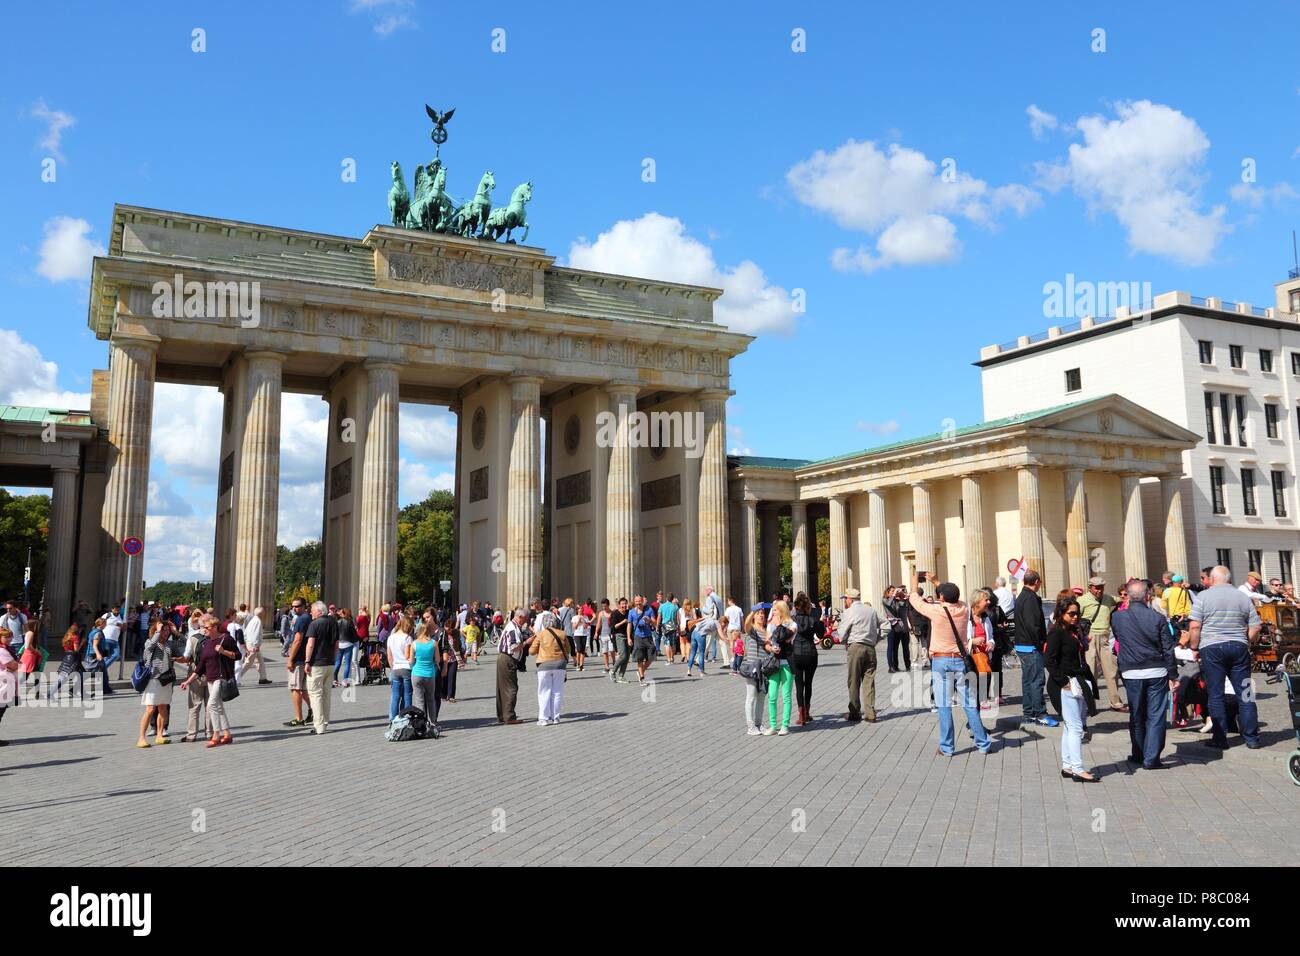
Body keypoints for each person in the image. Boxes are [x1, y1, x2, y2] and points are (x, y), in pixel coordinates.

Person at [909, 571, 992, 757]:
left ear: (941, 597)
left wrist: (915, 583)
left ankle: (947, 747)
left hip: (941, 660)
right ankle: (983, 743)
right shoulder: (964, 609)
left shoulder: (936, 611)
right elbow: (953, 597)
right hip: (960, 661)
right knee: (970, 704)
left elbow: (915, 601)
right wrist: (937, 581)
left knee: (944, 705)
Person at [1189, 566, 1262, 750]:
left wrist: (1194, 647)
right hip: (1238, 647)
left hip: (1211, 648)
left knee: (1216, 694)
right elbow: (1256, 627)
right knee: (1245, 693)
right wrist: (1246, 641)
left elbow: (1195, 626)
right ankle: (1252, 737)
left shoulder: (1202, 597)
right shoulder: (1242, 597)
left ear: (1212, 579)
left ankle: (1220, 738)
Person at [1111, 580, 1178, 769]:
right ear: (1147, 596)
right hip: (1156, 670)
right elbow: (1168, 648)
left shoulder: (1117, 617)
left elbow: (1119, 638)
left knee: (1137, 714)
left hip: (1131, 671)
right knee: (1155, 716)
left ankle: (1138, 754)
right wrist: (1173, 674)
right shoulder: (1157, 618)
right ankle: (1151, 758)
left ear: (1128, 596)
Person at [1043, 599, 1097, 781]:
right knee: (1075, 727)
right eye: (1071, 614)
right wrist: (1063, 681)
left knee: (1070, 726)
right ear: (1061, 614)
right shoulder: (1056, 632)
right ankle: (1078, 768)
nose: (1075, 617)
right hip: (1066, 684)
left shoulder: (1072, 630)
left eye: (1077, 614)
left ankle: (1068, 766)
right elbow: (1049, 660)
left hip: (1076, 680)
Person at [181, 613, 238, 748]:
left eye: (206, 627)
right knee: (218, 706)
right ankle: (228, 734)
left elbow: (238, 655)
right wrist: (188, 681)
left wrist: (224, 651)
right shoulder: (206, 643)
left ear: (214, 627)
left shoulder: (227, 639)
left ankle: (216, 735)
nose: (203, 630)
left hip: (221, 677)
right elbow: (200, 666)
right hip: (210, 679)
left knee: (211, 704)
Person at [1013, 570, 1058, 727]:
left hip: (1022, 644)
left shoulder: (1021, 597)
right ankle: (1040, 714)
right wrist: (1041, 643)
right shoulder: (1031, 598)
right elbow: (1034, 625)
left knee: (1027, 680)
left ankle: (1029, 713)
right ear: (1037, 581)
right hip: (1031, 646)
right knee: (1037, 680)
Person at [1077, 576, 1127, 713]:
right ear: (1090, 588)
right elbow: (1075, 620)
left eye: (1102, 587)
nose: (1100, 590)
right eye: (1097, 588)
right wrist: (1083, 636)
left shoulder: (1108, 598)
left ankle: (1115, 702)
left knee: (1111, 671)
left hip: (1105, 639)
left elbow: (1123, 600)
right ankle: (1088, 704)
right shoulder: (1081, 601)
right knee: (1090, 672)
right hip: (1090, 639)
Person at [839, 588, 881, 723]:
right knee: (869, 681)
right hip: (870, 648)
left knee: (854, 680)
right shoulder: (871, 610)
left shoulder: (849, 612)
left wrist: (845, 641)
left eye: (845, 599)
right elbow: (887, 625)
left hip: (855, 647)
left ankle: (855, 712)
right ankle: (870, 713)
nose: (845, 601)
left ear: (850, 599)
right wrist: (876, 638)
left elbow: (841, 633)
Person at [136, 619, 176, 748]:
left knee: (163, 707)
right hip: (153, 679)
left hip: (166, 680)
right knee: (150, 708)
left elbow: (183, 644)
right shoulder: (150, 642)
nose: (166, 632)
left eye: (167, 630)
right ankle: (141, 738)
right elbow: (148, 649)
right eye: (164, 630)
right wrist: (157, 632)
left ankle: (160, 735)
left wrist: (176, 632)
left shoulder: (168, 644)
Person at [530, 614, 572, 725]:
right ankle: (556, 718)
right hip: (560, 665)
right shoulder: (562, 634)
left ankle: (543, 718)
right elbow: (568, 649)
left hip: (544, 665)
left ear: (544, 623)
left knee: (544, 691)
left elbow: (532, 651)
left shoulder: (540, 634)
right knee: (557, 691)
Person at [303, 601, 338, 735]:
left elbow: (310, 644)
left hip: (316, 664)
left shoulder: (314, 624)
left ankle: (319, 725)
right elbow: (336, 644)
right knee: (326, 694)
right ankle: (325, 721)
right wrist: (333, 658)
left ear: (319, 611)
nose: (311, 612)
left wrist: (307, 661)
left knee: (315, 694)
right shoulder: (333, 622)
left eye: (312, 610)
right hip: (329, 663)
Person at [495, 608, 534, 724]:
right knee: (511, 688)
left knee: (502, 688)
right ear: (520, 617)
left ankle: (503, 715)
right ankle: (509, 716)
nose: (526, 622)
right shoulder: (513, 628)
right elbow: (513, 646)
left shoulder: (513, 626)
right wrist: (527, 642)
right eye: (525, 619)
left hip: (504, 658)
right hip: (508, 659)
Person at [763, 600, 797, 735]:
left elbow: (786, 638)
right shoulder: (770, 625)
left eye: (775, 610)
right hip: (774, 663)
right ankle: (773, 725)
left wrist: (779, 625)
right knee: (772, 695)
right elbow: (766, 643)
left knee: (786, 696)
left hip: (787, 663)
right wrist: (771, 648)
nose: (773, 612)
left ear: (782, 610)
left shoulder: (793, 624)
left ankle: (785, 725)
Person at [790, 592, 823, 725]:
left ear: (796, 607)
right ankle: (808, 712)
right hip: (810, 653)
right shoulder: (813, 619)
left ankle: (801, 715)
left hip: (796, 654)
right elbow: (821, 634)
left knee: (799, 685)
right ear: (808, 607)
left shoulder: (793, 620)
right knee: (808, 684)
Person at [282, 600, 313, 728]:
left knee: (295, 688)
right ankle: (314, 711)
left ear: (304, 606)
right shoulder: (308, 618)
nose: (294, 608)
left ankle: (299, 718)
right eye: (293, 606)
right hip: (305, 658)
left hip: (298, 659)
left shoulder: (301, 619)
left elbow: (297, 640)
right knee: (304, 689)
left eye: (297, 606)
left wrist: (290, 659)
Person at [967, 588, 998, 709]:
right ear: (977, 602)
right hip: (971, 655)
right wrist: (972, 641)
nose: (989, 602)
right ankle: (975, 703)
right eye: (986, 600)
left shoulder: (985, 618)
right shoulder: (966, 618)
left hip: (984, 654)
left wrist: (991, 643)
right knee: (974, 679)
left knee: (986, 675)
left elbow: (990, 636)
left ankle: (983, 700)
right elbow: (960, 638)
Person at [742, 604, 771, 735]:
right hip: (753, 666)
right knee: (751, 696)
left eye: (762, 613)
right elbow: (746, 624)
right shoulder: (751, 630)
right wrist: (752, 611)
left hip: (764, 666)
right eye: (759, 613)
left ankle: (759, 724)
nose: (761, 615)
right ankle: (750, 726)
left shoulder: (766, 631)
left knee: (761, 696)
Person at [410, 615, 440, 728]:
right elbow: (437, 660)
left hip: (417, 673)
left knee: (419, 700)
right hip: (429, 674)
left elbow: (411, 661)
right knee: (431, 699)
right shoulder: (434, 643)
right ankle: (433, 722)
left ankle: (422, 723)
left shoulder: (414, 644)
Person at [386, 613, 414, 721]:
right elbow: (407, 656)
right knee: (407, 694)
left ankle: (393, 719)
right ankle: (407, 718)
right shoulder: (408, 638)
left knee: (395, 696)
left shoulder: (391, 637)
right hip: (406, 668)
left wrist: (392, 668)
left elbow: (389, 656)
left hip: (395, 668)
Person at [236, 606, 270, 685]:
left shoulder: (253, 620)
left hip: (251, 644)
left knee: (260, 661)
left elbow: (246, 633)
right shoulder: (257, 621)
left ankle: (263, 678)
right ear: (261, 613)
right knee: (248, 663)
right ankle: (236, 677)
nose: (264, 613)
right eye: (264, 612)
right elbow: (255, 634)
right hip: (253, 645)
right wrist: (255, 646)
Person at [628, 595, 658, 685]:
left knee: (651, 657)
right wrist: (629, 637)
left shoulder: (649, 610)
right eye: (636, 601)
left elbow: (655, 624)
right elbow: (629, 625)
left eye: (639, 601)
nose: (638, 603)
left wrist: (649, 621)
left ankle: (641, 671)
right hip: (637, 637)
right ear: (634, 602)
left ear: (642, 601)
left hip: (648, 637)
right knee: (640, 658)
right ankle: (641, 677)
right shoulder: (631, 612)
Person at [882, 586, 911, 672]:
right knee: (892, 647)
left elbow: (904, 608)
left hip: (901, 626)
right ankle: (891, 666)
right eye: (892, 591)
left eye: (894, 591)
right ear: (887, 592)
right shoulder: (885, 600)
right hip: (891, 625)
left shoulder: (897, 601)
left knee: (905, 647)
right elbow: (889, 604)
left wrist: (905, 597)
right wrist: (894, 595)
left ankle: (907, 665)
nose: (894, 592)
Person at [435, 613, 461, 706]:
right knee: (444, 677)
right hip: (444, 659)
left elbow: (459, 646)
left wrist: (462, 657)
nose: (447, 629)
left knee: (452, 677)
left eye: (449, 628)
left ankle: (451, 696)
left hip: (453, 659)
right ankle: (443, 694)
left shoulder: (456, 634)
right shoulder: (442, 634)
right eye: (446, 627)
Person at [0, 627, 19, 745]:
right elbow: (15, 666)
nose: (9, 639)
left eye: (10, 636)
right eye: (6, 636)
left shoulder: (7, 649)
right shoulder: (2, 651)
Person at [333, 607, 358, 688]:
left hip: (339, 643)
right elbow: (354, 634)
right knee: (347, 663)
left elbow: (335, 633)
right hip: (348, 643)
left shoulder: (337, 622)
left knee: (338, 662)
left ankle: (334, 679)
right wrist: (355, 640)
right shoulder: (349, 622)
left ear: (342, 613)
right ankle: (345, 681)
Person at [609, 598, 631, 683]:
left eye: (625, 604)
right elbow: (614, 626)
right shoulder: (615, 613)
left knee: (627, 657)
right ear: (619, 605)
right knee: (623, 656)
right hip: (619, 636)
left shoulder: (629, 612)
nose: (624, 606)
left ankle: (621, 676)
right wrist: (623, 622)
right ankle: (613, 671)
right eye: (622, 604)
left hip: (628, 636)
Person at [686, 613, 714, 677]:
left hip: (694, 633)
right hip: (701, 635)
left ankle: (689, 670)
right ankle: (701, 671)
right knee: (701, 653)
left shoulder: (704, 619)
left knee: (693, 652)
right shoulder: (713, 621)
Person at [658, 592, 679, 663]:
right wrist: (678, 626)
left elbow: (659, 617)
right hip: (673, 625)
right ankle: (672, 657)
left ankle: (668, 659)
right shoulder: (675, 607)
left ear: (666, 598)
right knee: (673, 643)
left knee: (667, 643)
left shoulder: (662, 606)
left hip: (665, 625)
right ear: (672, 599)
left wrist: (657, 626)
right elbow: (677, 618)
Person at [596, 598, 614, 674]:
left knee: (612, 650)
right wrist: (596, 633)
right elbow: (599, 623)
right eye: (603, 606)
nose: (604, 608)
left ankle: (614, 662)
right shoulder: (601, 613)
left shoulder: (612, 613)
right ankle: (607, 666)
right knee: (605, 651)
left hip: (611, 634)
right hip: (603, 634)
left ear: (608, 605)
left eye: (605, 606)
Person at [570, 604, 590, 672]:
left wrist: (583, 620)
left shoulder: (586, 617)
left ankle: (582, 665)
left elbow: (586, 626)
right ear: (577, 610)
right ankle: (578, 664)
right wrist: (578, 620)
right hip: (577, 634)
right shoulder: (574, 617)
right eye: (579, 609)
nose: (581, 610)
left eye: (582, 608)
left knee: (583, 651)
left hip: (584, 634)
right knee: (579, 649)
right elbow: (574, 627)